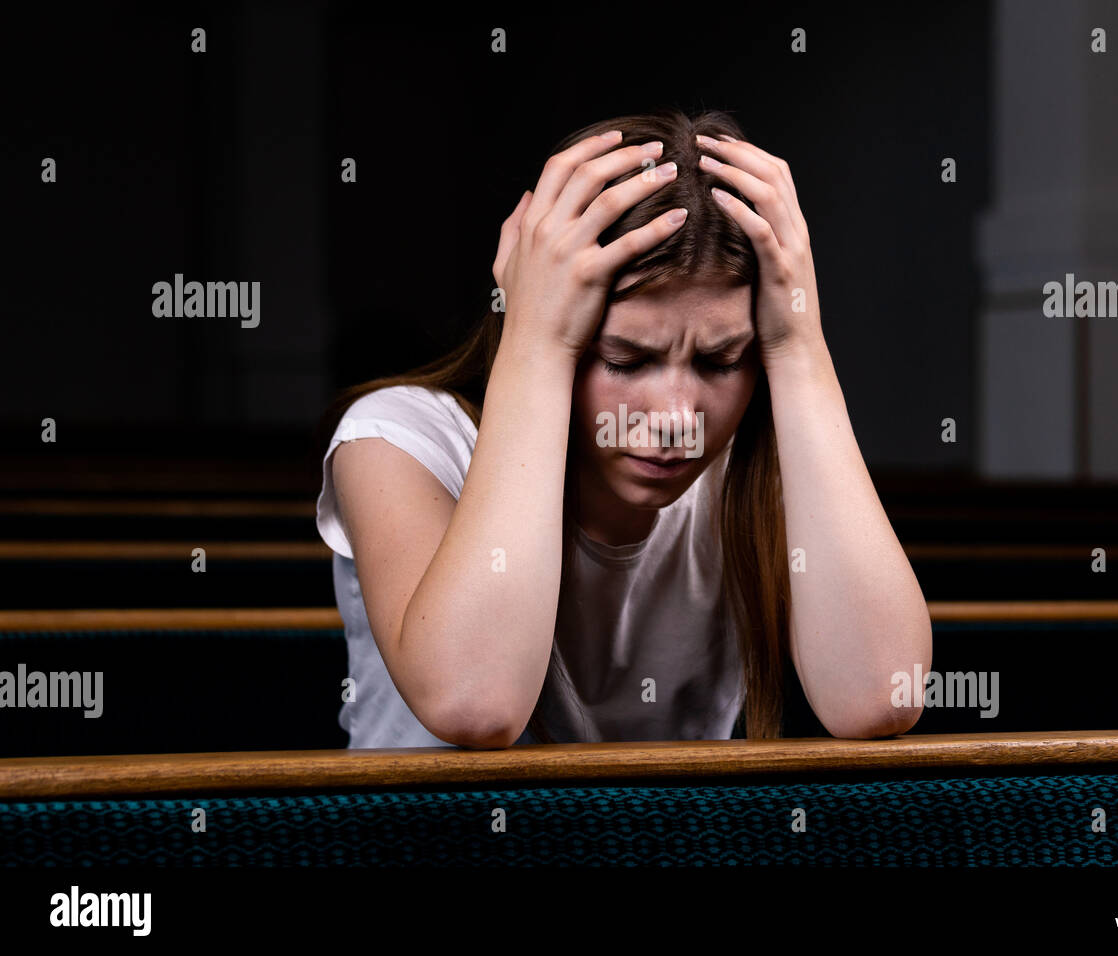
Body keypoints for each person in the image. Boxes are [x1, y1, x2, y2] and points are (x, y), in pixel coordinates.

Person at [314, 108, 932, 750]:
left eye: (720, 361)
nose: (674, 419)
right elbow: (476, 705)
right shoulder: (396, 439)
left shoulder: (746, 469)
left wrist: (799, 343)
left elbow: (881, 697)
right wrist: (536, 342)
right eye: (625, 360)